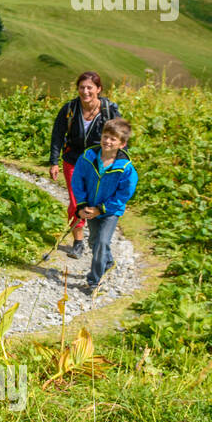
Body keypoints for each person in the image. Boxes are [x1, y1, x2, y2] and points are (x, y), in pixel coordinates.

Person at [49, 71, 122, 258]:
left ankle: (98, 239)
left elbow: (121, 137)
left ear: (99, 89)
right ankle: (78, 242)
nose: (86, 91)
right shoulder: (70, 109)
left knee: (96, 201)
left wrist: (118, 163)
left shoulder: (109, 110)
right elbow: (57, 135)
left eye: (90, 87)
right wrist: (53, 161)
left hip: (100, 164)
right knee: (77, 201)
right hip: (73, 161)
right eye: (82, 87)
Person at [70, 118, 137, 296]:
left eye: (113, 139)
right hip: (90, 208)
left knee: (102, 242)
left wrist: (102, 209)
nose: (107, 141)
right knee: (93, 241)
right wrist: (82, 204)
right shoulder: (88, 157)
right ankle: (107, 262)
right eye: (105, 136)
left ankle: (94, 280)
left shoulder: (125, 168)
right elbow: (77, 181)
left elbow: (124, 193)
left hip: (110, 212)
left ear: (122, 144)